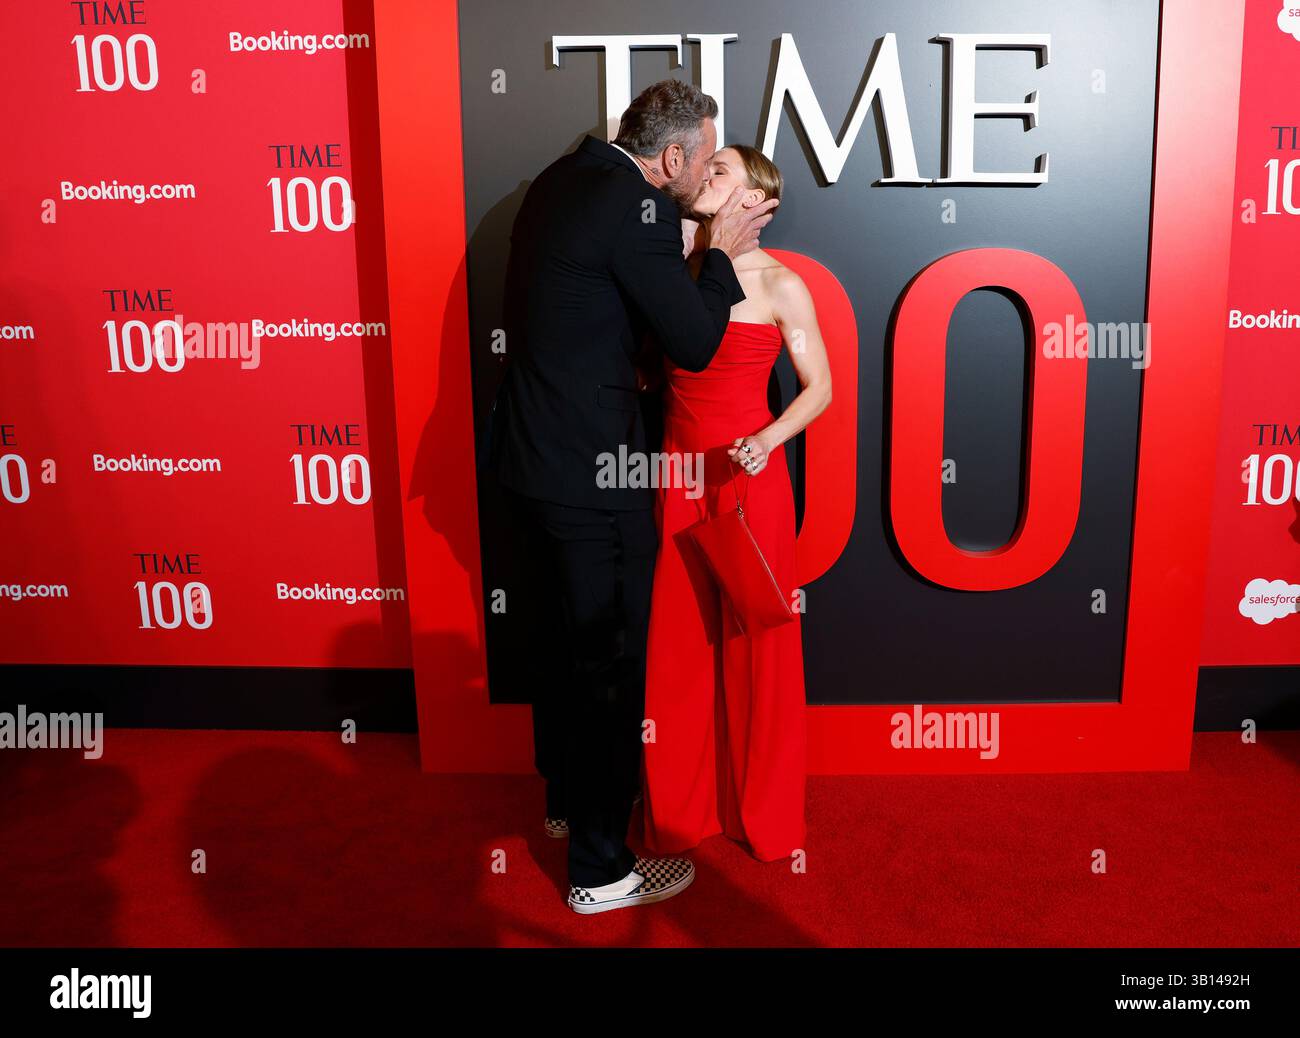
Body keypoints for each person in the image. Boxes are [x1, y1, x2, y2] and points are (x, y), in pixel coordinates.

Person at [487, 82, 778, 914]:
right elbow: (691, 342)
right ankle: (601, 868)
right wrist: (717, 249)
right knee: (607, 668)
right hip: (592, 478)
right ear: (674, 156)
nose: (705, 183)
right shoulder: (641, 208)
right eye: (705, 161)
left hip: (527, 465)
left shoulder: (560, 178)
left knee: (555, 648)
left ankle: (560, 806)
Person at [640, 145, 831, 864]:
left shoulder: (783, 285)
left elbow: (820, 387)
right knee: (678, 651)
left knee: (761, 649)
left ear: (755, 200)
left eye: (720, 172)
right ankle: (682, 815)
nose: (704, 177)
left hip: (750, 484)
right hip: (676, 479)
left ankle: (764, 814)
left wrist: (769, 437)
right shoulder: (677, 275)